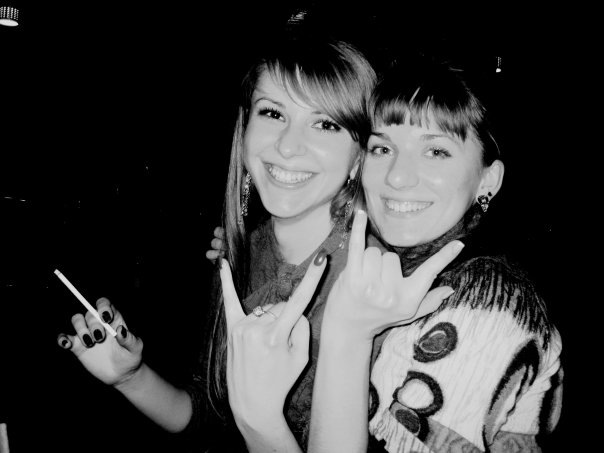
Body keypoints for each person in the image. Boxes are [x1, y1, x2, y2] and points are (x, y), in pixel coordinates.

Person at [307, 54, 563, 452]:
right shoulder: (391, 265)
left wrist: (262, 423)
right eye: (382, 148)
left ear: (488, 180)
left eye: (436, 152)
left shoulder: (485, 304)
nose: (397, 176)